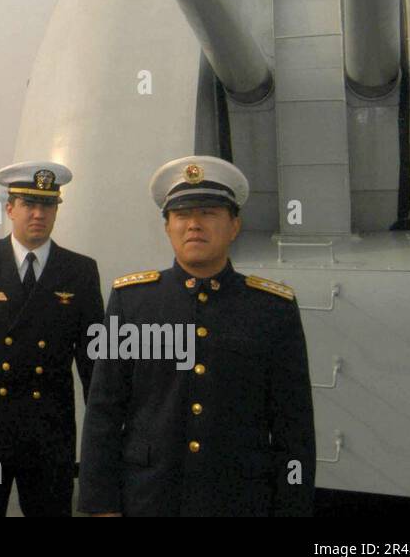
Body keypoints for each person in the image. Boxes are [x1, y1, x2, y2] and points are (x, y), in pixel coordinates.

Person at [77, 156, 316, 516]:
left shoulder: (272, 309)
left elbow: (293, 425)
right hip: (149, 499)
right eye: (182, 215)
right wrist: (101, 505)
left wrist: (293, 507)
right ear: (167, 227)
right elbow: (104, 412)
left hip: (239, 502)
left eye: (208, 213)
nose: (194, 225)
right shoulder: (131, 302)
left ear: (234, 225)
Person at [0, 161, 103, 517]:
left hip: (49, 435)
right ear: (9, 208)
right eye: (28, 204)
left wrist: (101, 444)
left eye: (47, 205)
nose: (38, 214)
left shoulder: (79, 271)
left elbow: (93, 365)